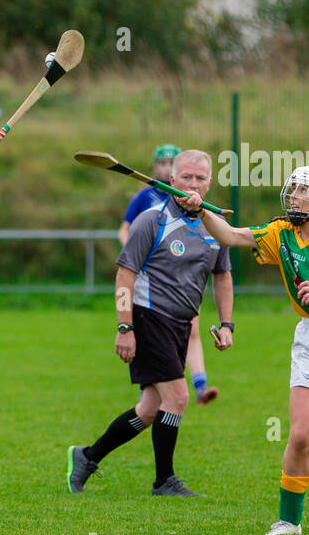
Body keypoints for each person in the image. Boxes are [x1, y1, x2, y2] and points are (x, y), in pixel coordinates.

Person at [179, 165, 309, 535]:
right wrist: (200, 210)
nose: (294, 198)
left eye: (303, 192)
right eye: (293, 191)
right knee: (301, 435)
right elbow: (229, 235)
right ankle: (289, 521)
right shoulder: (282, 233)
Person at [66, 149, 233, 498]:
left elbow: (222, 277)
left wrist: (227, 323)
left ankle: (87, 456)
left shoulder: (215, 228)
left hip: (180, 324)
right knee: (178, 397)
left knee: (150, 410)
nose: (193, 183)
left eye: (200, 178)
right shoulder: (151, 220)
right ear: (171, 180)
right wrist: (124, 327)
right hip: (147, 316)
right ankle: (164, 481)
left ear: (209, 183)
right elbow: (124, 276)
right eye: (185, 176)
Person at [120, 144, 219, 405]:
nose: (164, 168)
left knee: (192, 327)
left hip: (184, 282)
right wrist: (136, 255)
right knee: (167, 400)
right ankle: (160, 385)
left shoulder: (199, 206)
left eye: (168, 162)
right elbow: (125, 231)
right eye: (160, 163)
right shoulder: (145, 197)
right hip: (152, 285)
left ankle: (199, 384)